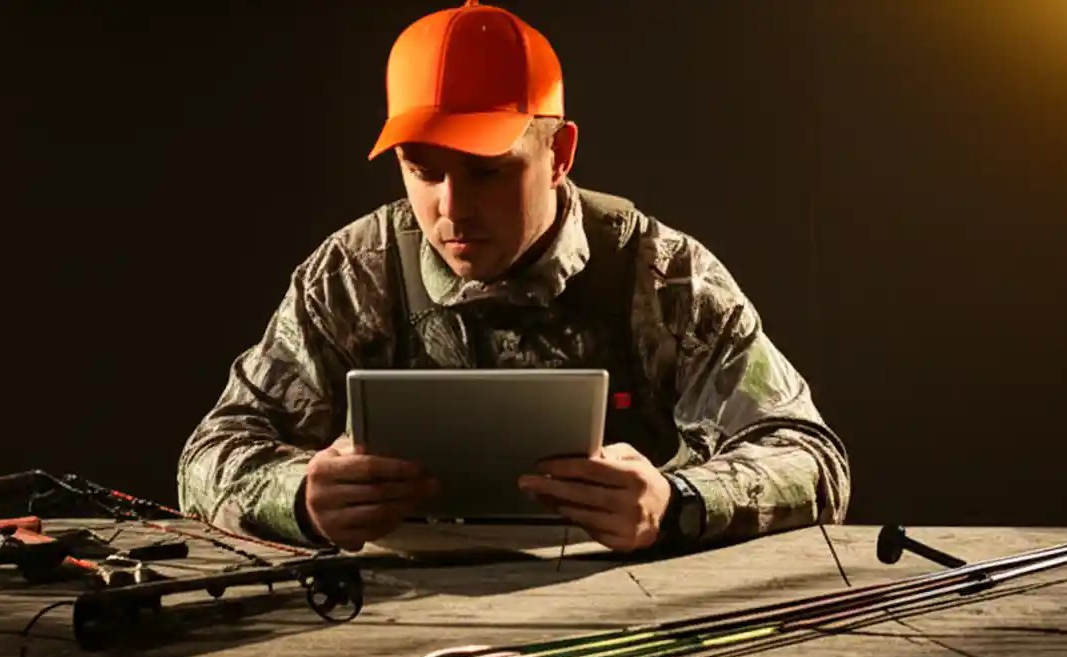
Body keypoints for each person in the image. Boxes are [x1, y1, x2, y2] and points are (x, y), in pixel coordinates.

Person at [177, 0, 851, 555]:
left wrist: (678, 502)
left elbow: (814, 461)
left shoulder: (663, 275)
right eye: (422, 169)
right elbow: (208, 456)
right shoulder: (353, 273)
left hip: (628, 612)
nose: (451, 206)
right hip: (391, 615)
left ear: (558, 152)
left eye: (486, 170)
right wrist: (300, 497)